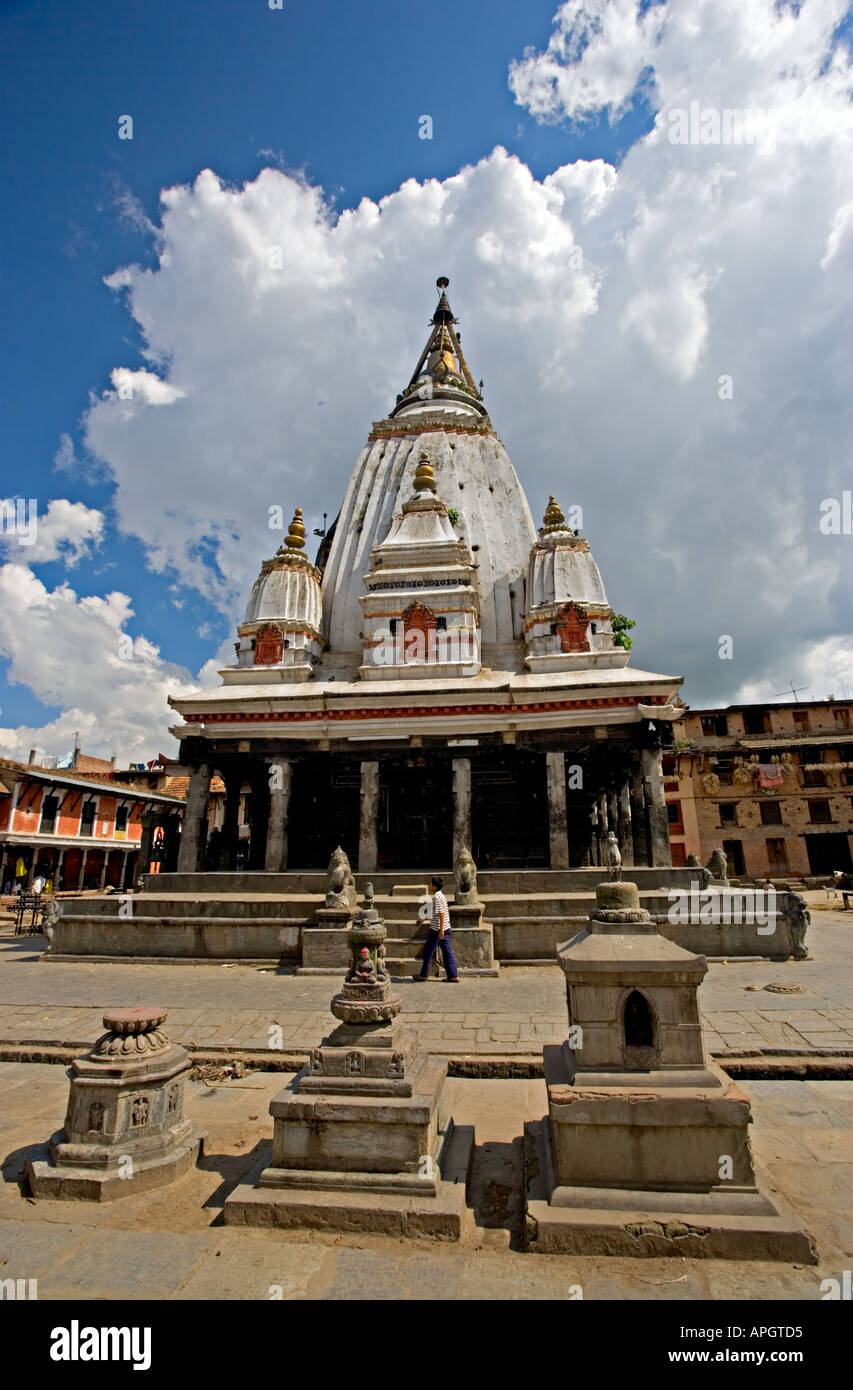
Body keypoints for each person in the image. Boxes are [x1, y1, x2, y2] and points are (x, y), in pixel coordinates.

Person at [415, 876, 459, 983]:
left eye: (431, 884)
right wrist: (422, 920)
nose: (430, 886)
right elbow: (434, 912)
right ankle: (453, 975)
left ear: (434, 887)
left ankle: (424, 974)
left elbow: (441, 914)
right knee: (447, 952)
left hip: (437, 930)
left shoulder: (437, 898)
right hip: (445, 928)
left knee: (428, 951)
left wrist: (440, 931)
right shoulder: (441, 896)